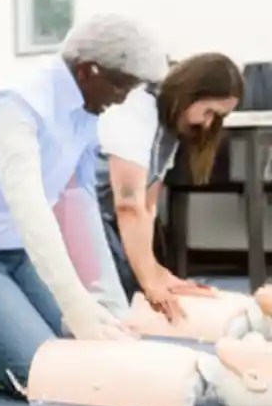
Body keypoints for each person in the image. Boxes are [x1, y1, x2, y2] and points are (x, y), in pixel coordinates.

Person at [0, 14, 169, 393]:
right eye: (122, 86)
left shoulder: (87, 112)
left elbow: (81, 203)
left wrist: (106, 307)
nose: (123, 99)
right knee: (44, 375)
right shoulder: (21, 104)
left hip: (13, 252)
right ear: (89, 71)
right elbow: (32, 212)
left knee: (82, 347)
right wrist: (75, 305)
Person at [96, 53, 244, 317]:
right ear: (189, 93)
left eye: (218, 117)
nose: (208, 123)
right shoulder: (137, 110)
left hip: (106, 217)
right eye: (208, 111)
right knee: (117, 299)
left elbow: (147, 205)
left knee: (138, 285)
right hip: (76, 210)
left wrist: (157, 272)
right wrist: (149, 282)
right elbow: (128, 206)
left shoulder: (171, 129)